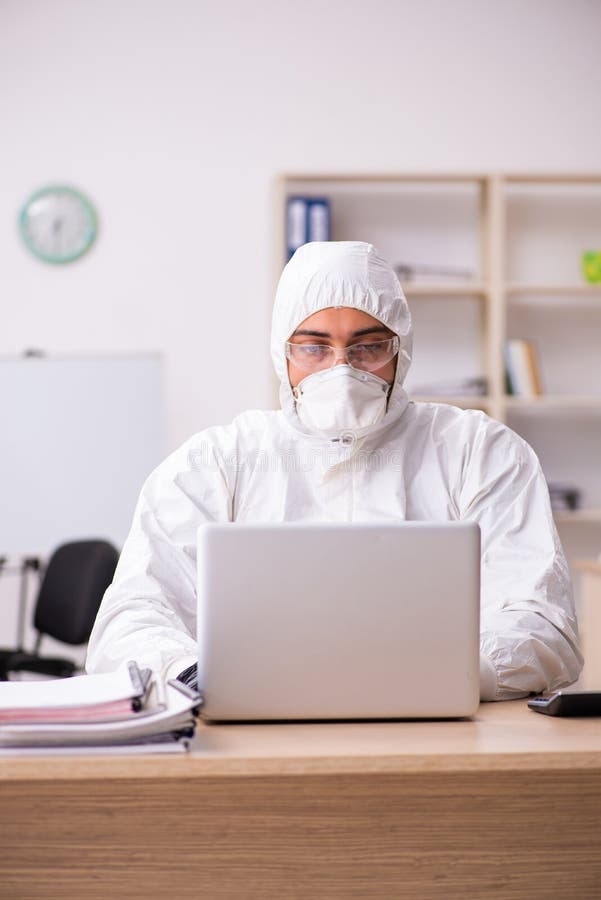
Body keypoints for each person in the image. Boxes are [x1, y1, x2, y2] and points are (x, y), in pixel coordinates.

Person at [86, 241, 583, 700]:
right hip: (251, 733)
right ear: (283, 353)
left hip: (440, 729)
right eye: (314, 346)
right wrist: (201, 676)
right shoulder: (217, 461)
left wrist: (437, 676)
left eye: (367, 346)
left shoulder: (479, 451)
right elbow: (131, 618)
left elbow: (541, 623)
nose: (342, 370)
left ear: (400, 348)